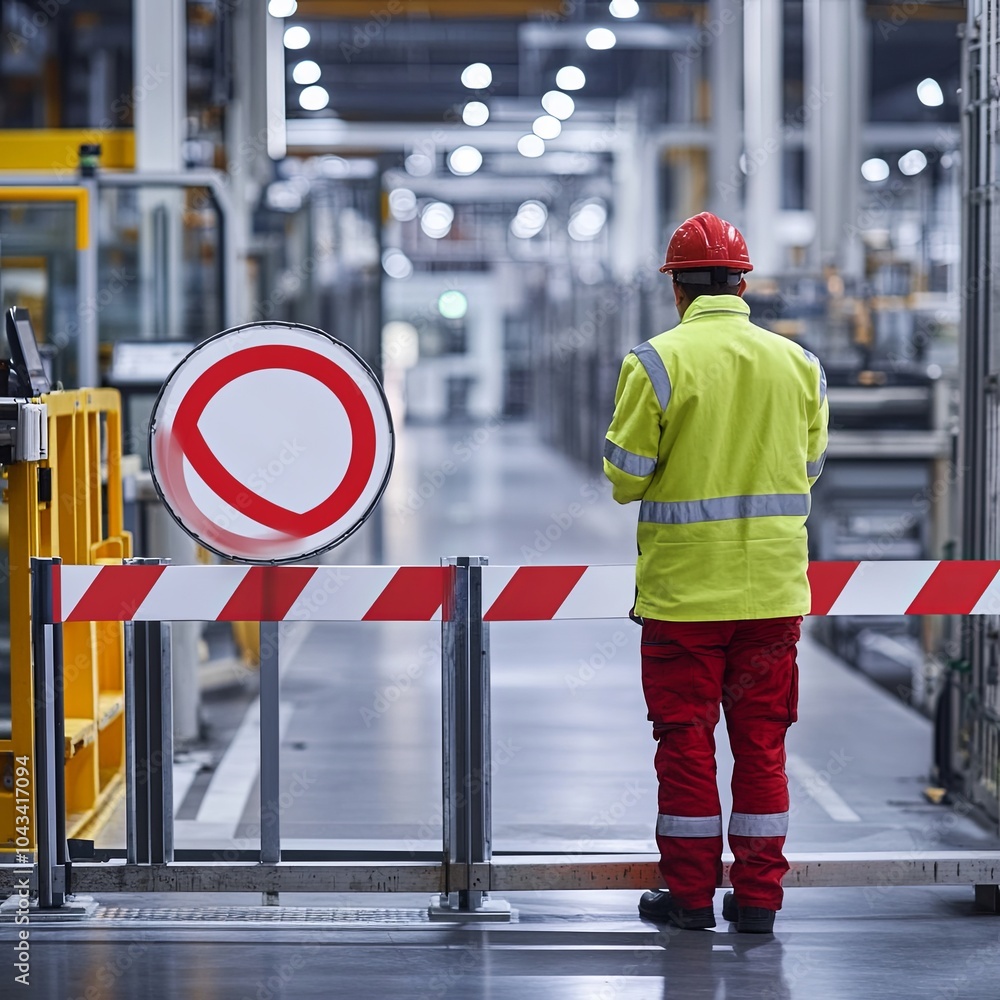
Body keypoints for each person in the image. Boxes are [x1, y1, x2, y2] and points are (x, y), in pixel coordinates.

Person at [603, 211, 829, 934]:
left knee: (687, 742)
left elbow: (625, 476)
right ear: (743, 283)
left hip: (684, 599)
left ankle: (691, 898)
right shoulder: (799, 364)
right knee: (761, 743)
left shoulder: (657, 363)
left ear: (677, 291)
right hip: (772, 594)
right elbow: (810, 468)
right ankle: (760, 899)